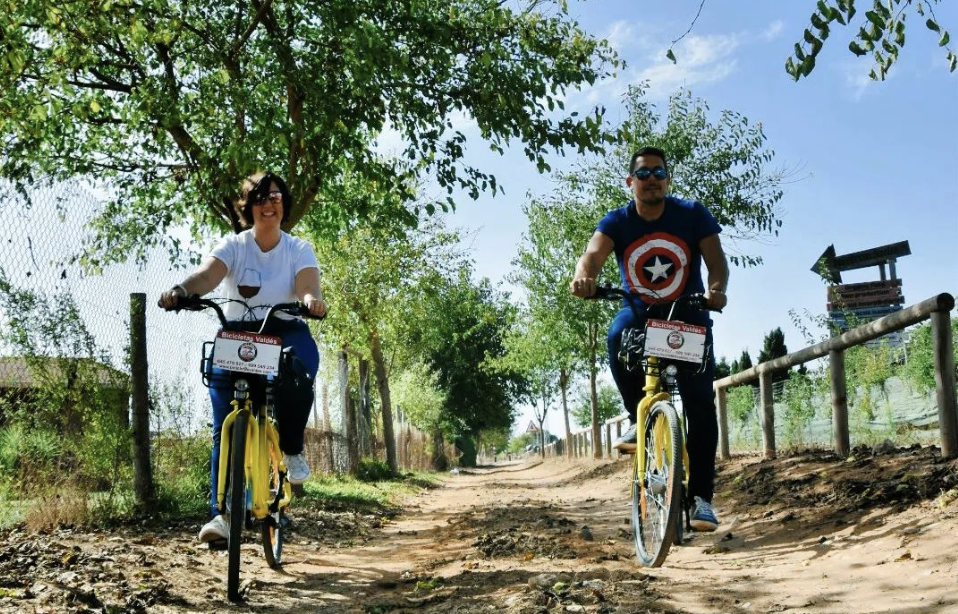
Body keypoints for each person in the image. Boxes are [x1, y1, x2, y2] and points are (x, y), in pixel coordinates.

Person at [158, 171, 327, 543]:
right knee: (225, 423)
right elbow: (207, 276)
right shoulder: (234, 246)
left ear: (284, 204)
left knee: (297, 374)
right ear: (248, 207)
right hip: (239, 334)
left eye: (276, 197)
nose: (269, 204)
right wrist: (182, 290)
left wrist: (311, 300)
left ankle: (292, 448)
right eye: (261, 198)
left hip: (285, 329)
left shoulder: (298, 248)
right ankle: (221, 516)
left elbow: (307, 284)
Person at [569, 146, 728, 532]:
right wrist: (583, 277)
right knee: (616, 336)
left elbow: (716, 260)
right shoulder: (617, 221)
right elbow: (592, 255)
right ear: (631, 181)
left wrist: (717, 290)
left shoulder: (692, 214)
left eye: (659, 173)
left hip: (687, 314)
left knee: (699, 405)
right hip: (639, 314)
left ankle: (703, 499)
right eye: (643, 174)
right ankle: (635, 417)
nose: (652, 179)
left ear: (668, 179)